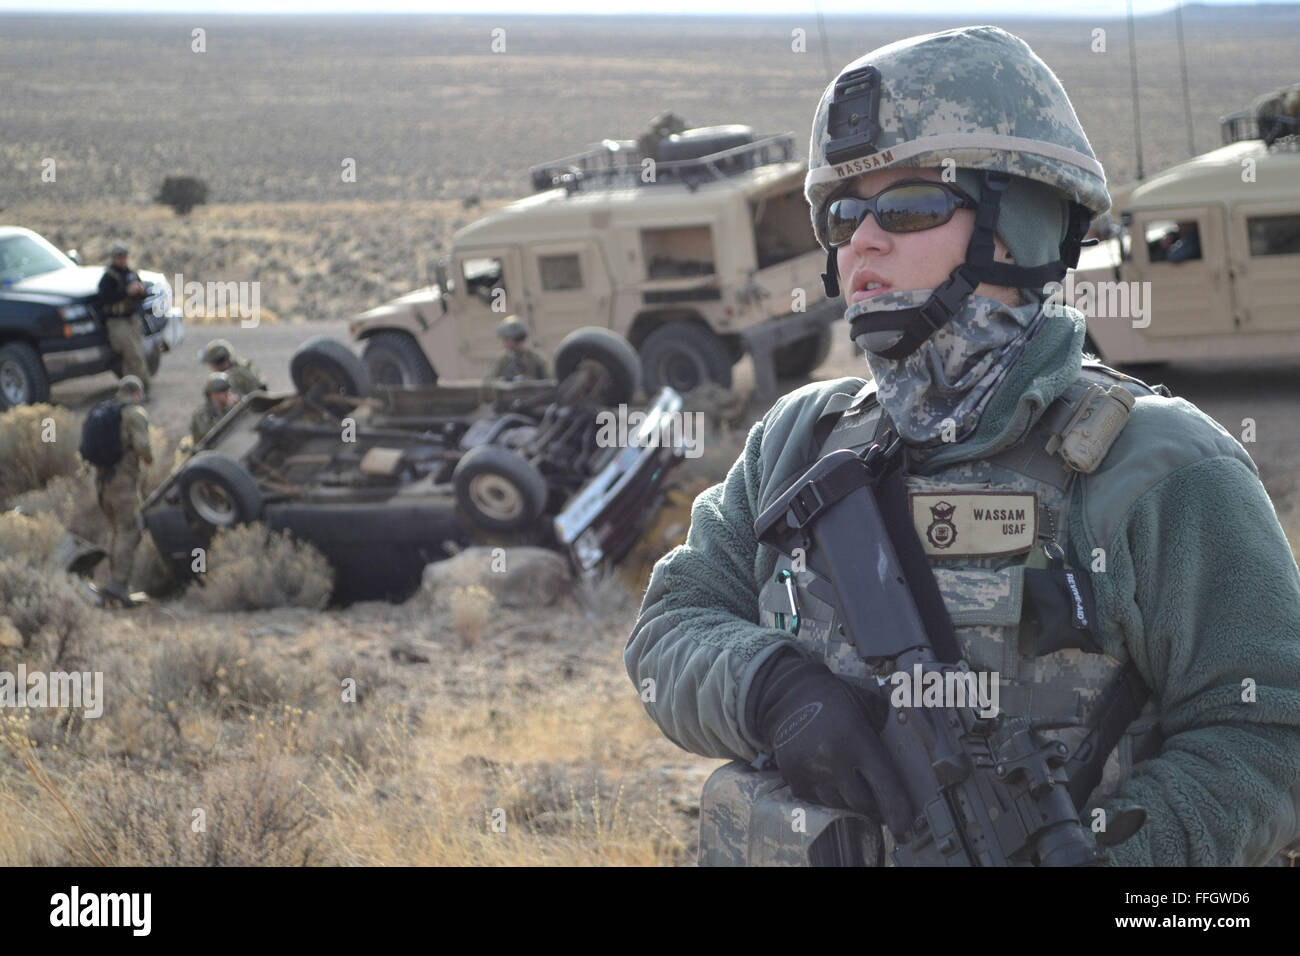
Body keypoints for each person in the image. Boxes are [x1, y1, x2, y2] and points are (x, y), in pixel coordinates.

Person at [625, 26, 1300, 867]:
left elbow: (1267, 730)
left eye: (907, 205)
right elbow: (669, 628)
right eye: (843, 214)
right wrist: (771, 689)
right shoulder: (799, 442)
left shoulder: (1160, 470)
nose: (861, 241)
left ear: (1019, 223)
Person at [81, 375, 153, 608]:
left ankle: (113, 586)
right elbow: (143, 447)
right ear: (137, 394)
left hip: (102, 484)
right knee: (130, 531)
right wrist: (149, 459)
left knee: (117, 532)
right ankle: (119, 586)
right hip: (122, 484)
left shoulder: (105, 411)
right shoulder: (134, 413)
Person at [97, 242, 151, 399]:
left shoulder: (131, 274)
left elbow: (142, 295)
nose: (122, 260)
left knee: (135, 355)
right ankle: (140, 388)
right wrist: (125, 292)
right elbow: (105, 299)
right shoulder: (108, 278)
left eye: (124, 257)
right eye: (119, 257)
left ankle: (133, 391)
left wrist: (140, 291)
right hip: (117, 322)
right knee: (133, 356)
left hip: (132, 319)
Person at [486, 317, 550, 382]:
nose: (504, 342)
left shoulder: (536, 358)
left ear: (515, 339)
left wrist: (528, 381)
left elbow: (551, 379)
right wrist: (506, 380)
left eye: (506, 339)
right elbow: (489, 380)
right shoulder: (502, 360)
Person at [198, 338, 265, 396]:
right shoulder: (243, 367)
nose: (211, 368)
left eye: (212, 363)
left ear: (219, 362)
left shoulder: (232, 377)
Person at [189, 371, 238, 444]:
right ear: (211, 394)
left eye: (227, 388)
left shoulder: (233, 407)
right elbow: (210, 435)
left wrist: (237, 407)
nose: (226, 393)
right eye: (221, 390)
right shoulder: (202, 414)